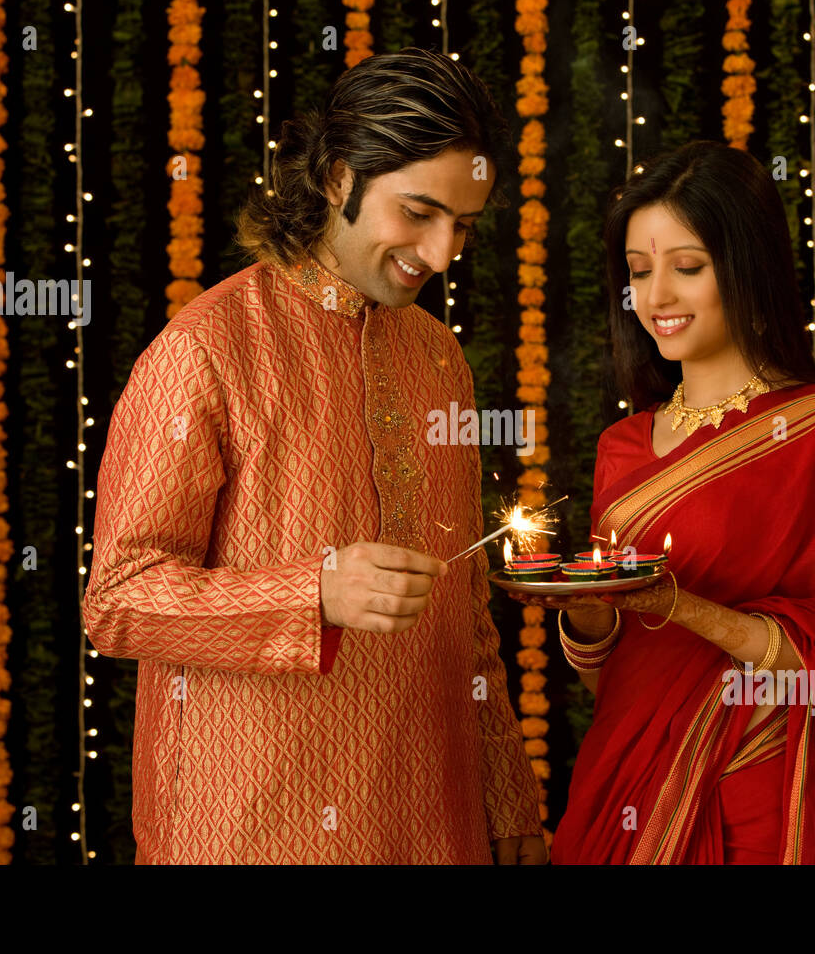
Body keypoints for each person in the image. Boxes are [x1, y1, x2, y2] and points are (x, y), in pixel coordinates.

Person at [82, 49, 545, 864]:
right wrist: (313, 591)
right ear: (338, 178)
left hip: (434, 814)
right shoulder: (207, 349)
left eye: (463, 226)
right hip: (252, 821)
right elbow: (118, 602)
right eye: (418, 213)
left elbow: (467, 615)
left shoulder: (439, 357)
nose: (441, 256)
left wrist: (508, 800)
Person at [510, 141, 815, 864]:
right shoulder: (622, 445)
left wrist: (678, 605)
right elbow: (620, 677)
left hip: (759, 781)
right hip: (628, 783)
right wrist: (590, 617)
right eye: (639, 272)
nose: (657, 297)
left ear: (746, 265)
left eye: (687, 267)